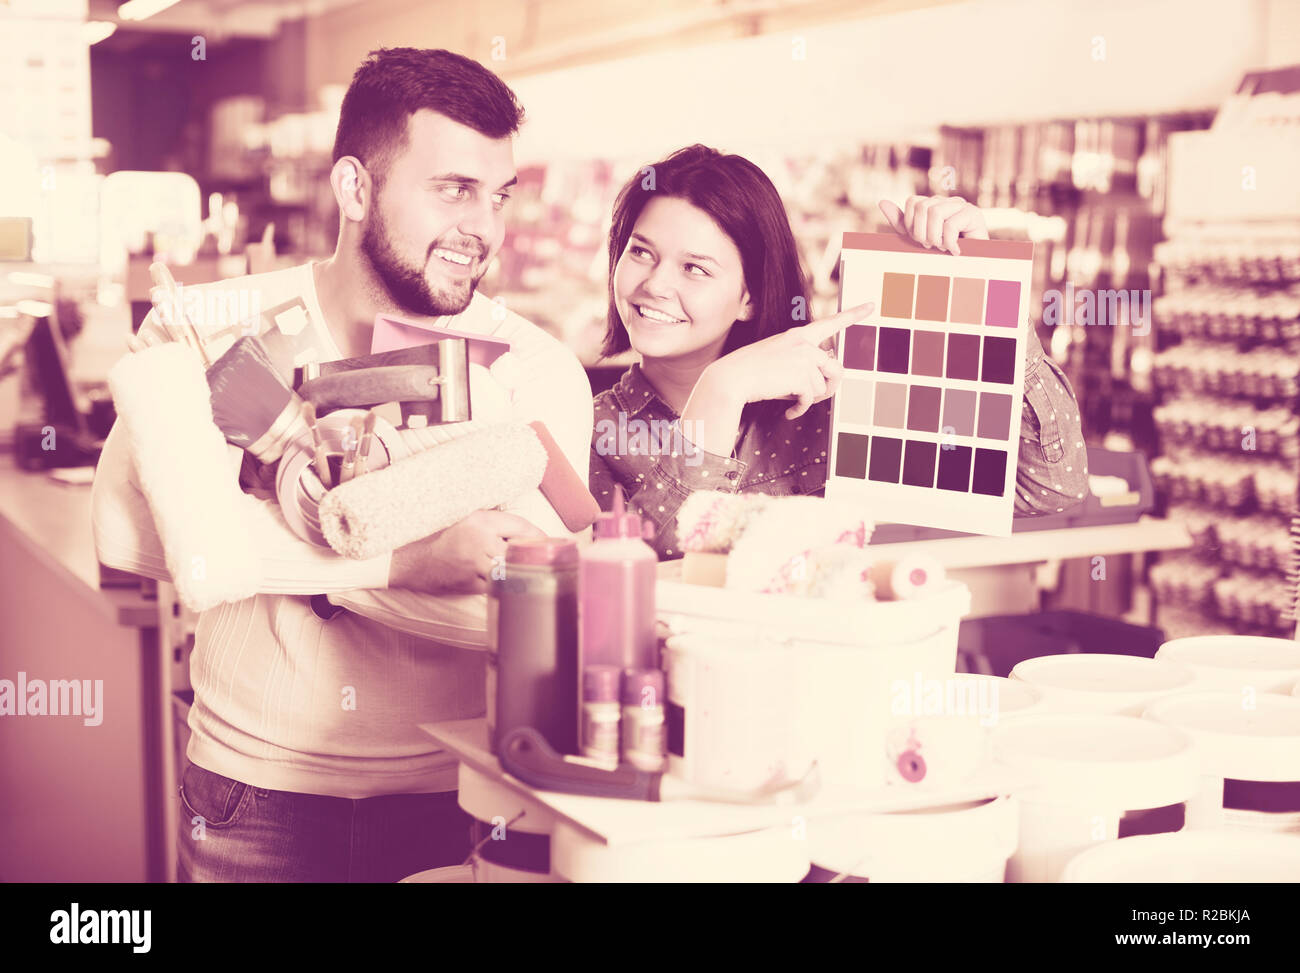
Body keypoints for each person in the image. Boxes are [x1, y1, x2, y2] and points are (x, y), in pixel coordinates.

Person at [92, 48, 593, 882]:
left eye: (498, 195)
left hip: (461, 797)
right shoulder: (221, 327)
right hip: (253, 791)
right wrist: (402, 557)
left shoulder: (530, 370)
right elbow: (129, 538)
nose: (486, 229)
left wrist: (263, 544)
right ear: (356, 189)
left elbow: (519, 612)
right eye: (454, 190)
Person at [589, 145, 1087, 559]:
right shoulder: (588, 431)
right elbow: (635, 586)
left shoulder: (837, 403)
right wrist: (720, 392)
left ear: (751, 298)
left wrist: (982, 292)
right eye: (640, 252)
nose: (654, 284)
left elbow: (1050, 487)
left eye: (695, 268)